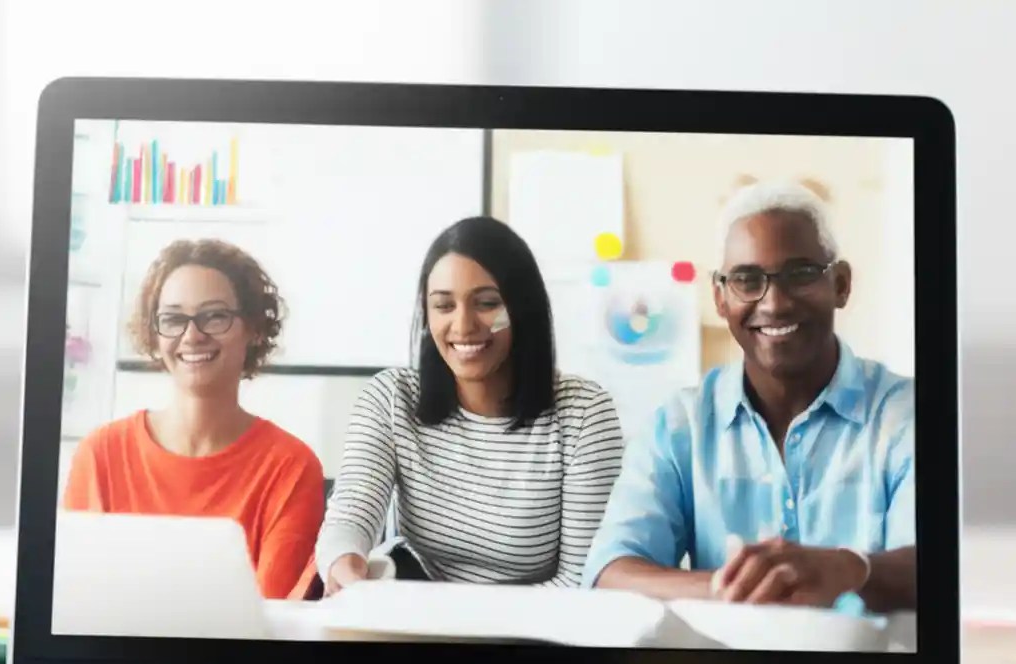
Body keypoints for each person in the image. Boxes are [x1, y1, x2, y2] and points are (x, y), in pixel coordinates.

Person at [582, 181, 916, 614]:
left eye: (800, 275)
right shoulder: (679, 425)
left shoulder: (907, 415)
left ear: (841, 284)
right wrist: (737, 589)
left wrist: (847, 569)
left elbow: (947, 566)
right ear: (720, 297)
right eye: (747, 280)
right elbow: (610, 571)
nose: (774, 304)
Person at [314, 216, 624, 594]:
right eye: (443, 306)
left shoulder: (585, 415)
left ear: (521, 307)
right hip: (414, 627)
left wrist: (463, 622)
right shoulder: (391, 397)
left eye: (487, 303)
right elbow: (349, 519)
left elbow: (581, 580)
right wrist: (346, 566)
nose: (462, 326)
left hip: (532, 639)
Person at [62, 239, 325, 600]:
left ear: (254, 328)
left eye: (215, 316)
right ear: (154, 335)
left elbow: (269, 617)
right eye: (172, 319)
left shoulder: (291, 466)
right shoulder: (100, 454)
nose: (192, 335)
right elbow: (75, 596)